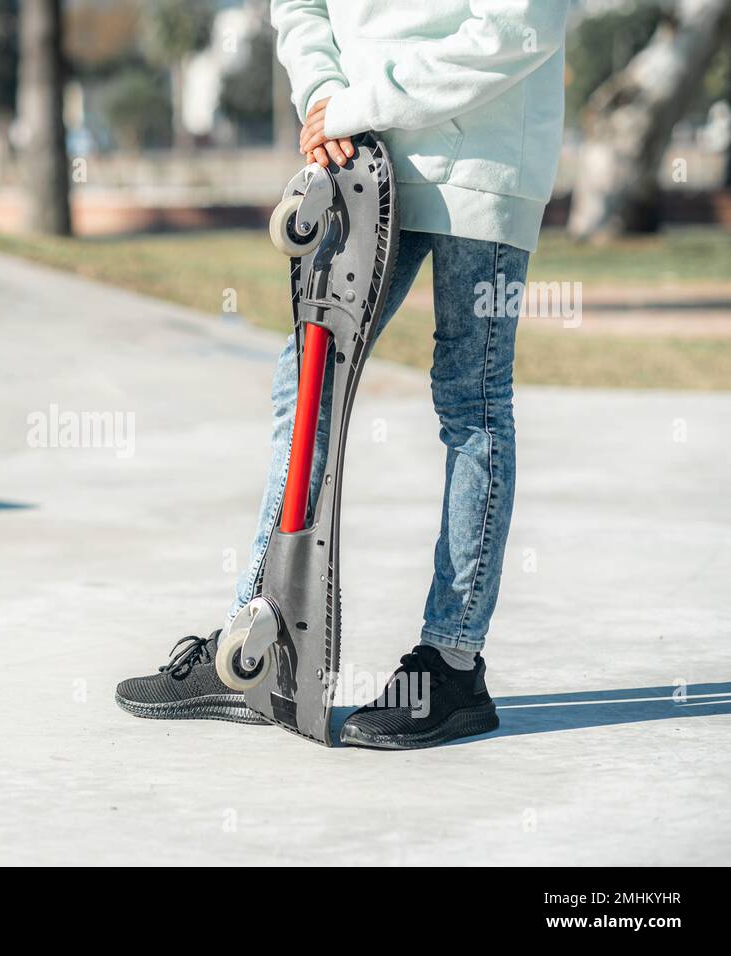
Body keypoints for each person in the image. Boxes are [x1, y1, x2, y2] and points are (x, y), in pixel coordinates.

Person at [116, 1, 571, 748]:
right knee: (305, 383)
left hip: (485, 157)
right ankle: (255, 646)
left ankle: (451, 665)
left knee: (472, 399)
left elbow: (521, 27)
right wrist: (325, 98)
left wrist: (355, 103)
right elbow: (299, 8)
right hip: (360, 163)